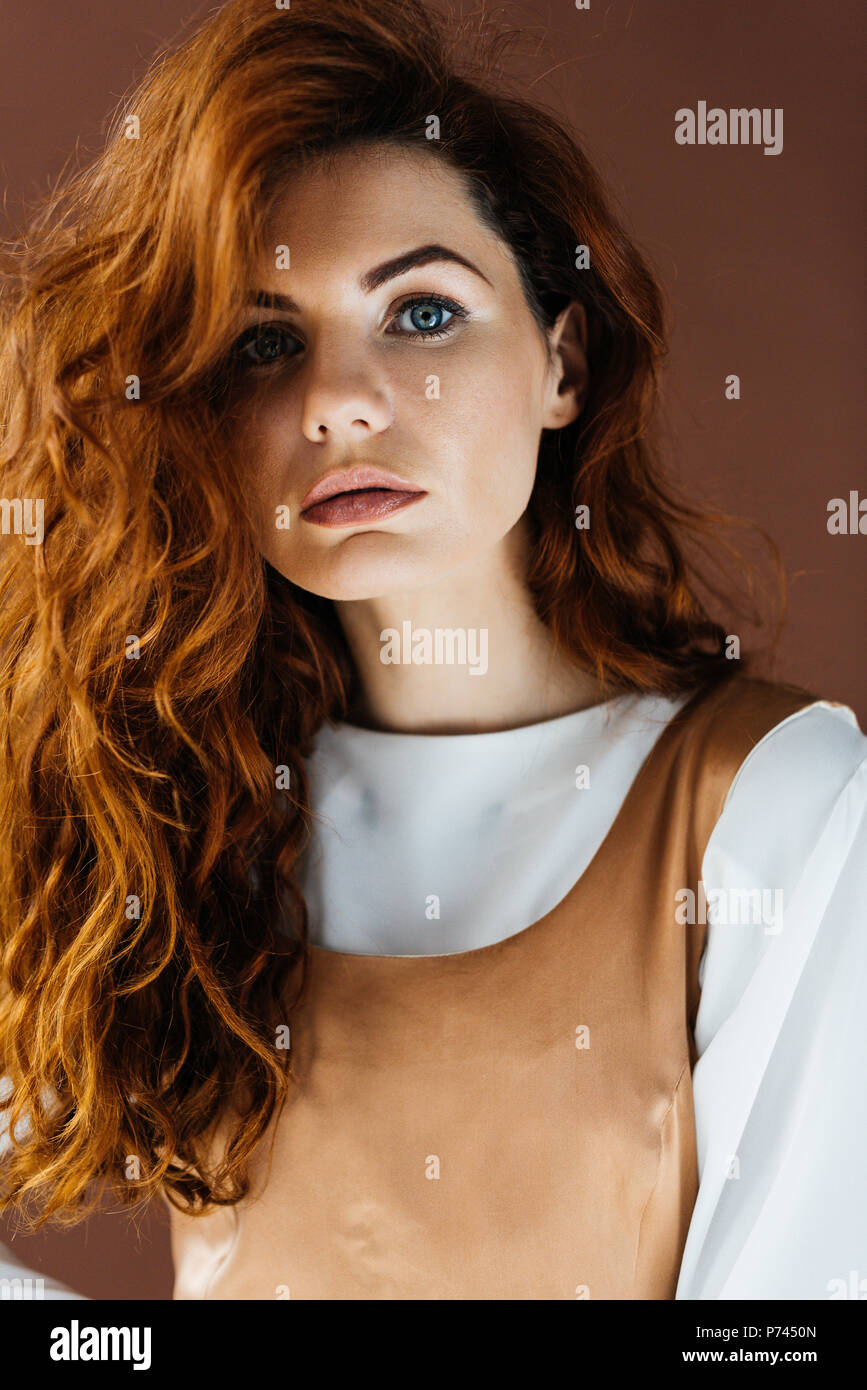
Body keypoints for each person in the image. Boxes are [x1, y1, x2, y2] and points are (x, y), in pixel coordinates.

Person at [1, 0, 864, 1301]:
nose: (340, 399)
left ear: (561, 361)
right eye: (266, 343)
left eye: (419, 313)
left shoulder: (783, 803)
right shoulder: (172, 806)